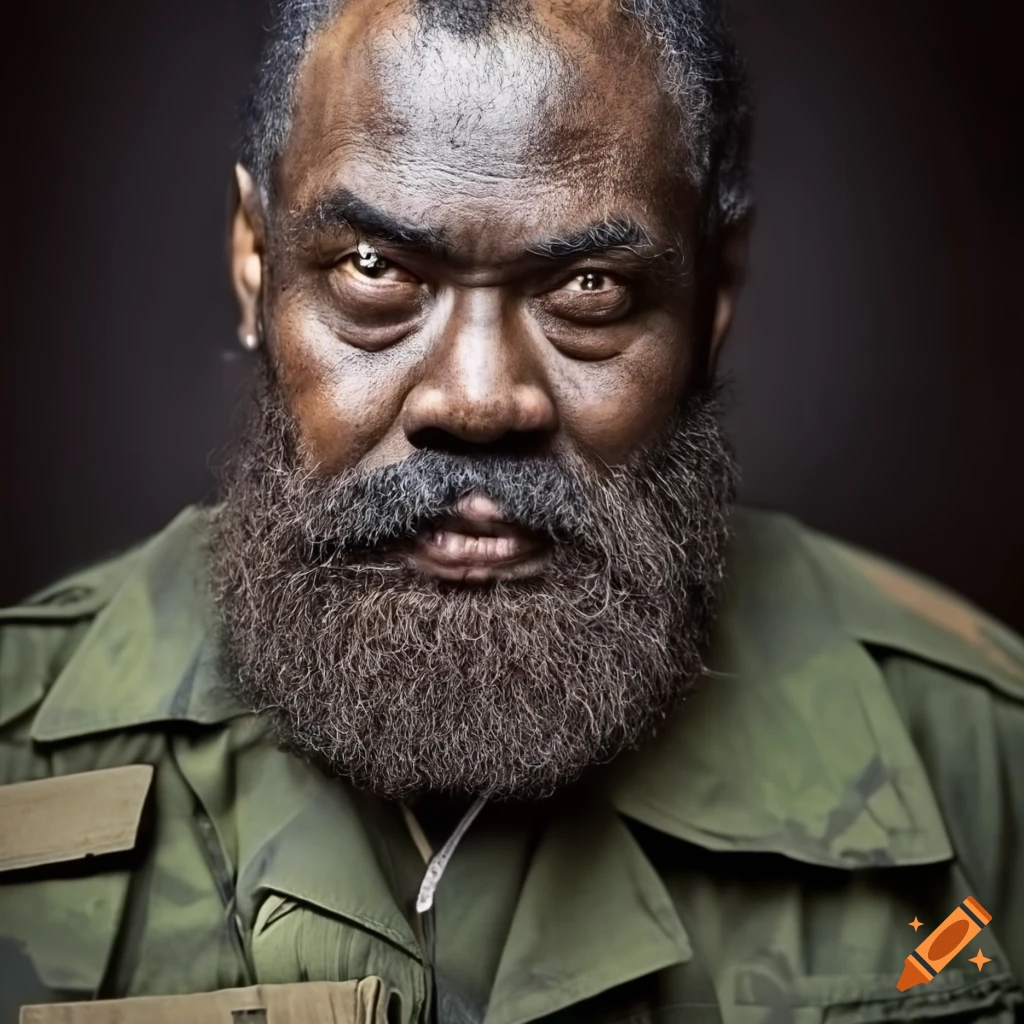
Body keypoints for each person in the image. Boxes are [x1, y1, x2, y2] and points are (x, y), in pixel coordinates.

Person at [1, 0, 1021, 1021]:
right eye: (375, 270)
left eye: (587, 286)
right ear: (254, 262)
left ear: (715, 296)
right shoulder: (19, 743)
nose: (480, 399)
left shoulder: (979, 760)